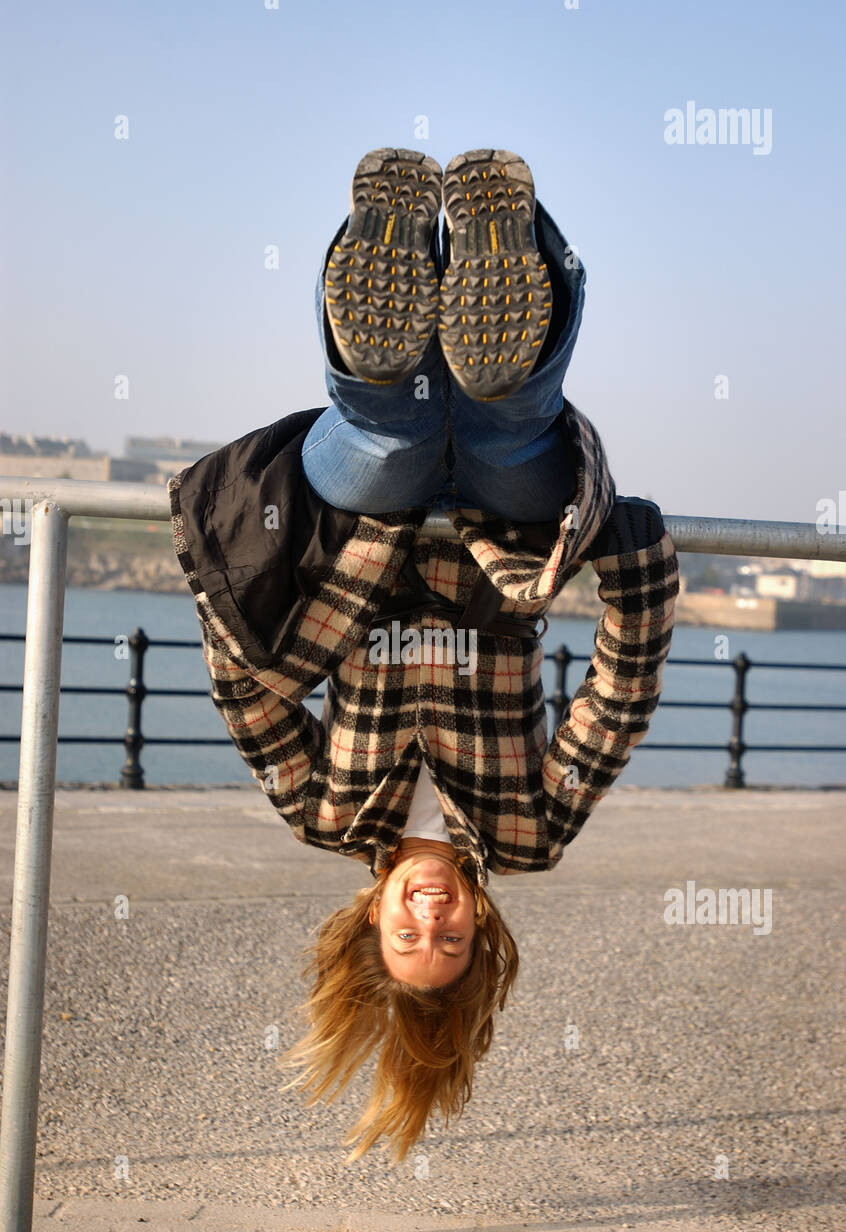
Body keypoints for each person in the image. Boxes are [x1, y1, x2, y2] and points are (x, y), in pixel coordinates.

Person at [167, 148, 680, 1165]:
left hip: (376, 523)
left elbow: (242, 688)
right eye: (451, 943)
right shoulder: (528, 835)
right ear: (480, 934)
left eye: (409, 940)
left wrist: (319, 619)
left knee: (382, 434)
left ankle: (386, 318)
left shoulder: (325, 815)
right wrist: (633, 571)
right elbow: (617, 701)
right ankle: (494, 308)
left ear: (370, 921)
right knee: (506, 423)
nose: (432, 922)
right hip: (500, 534)